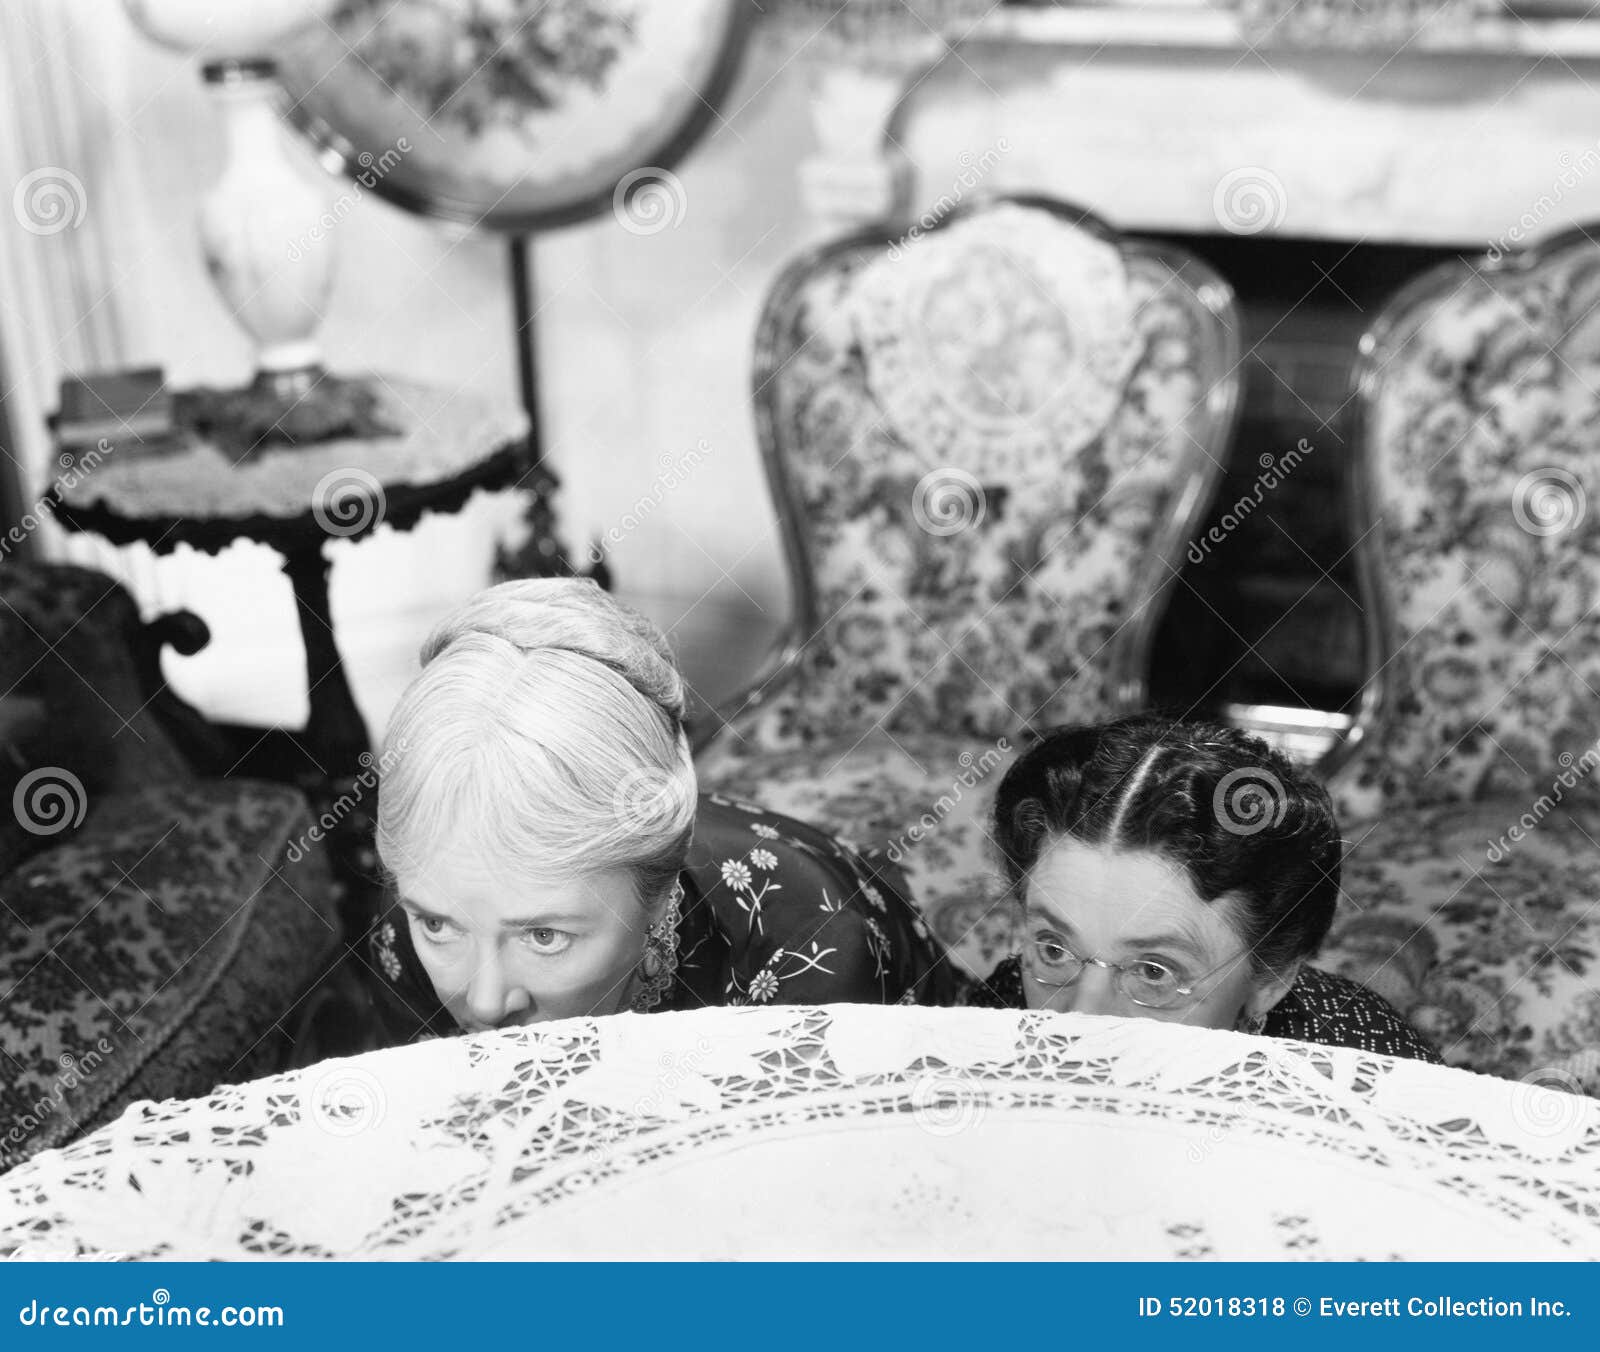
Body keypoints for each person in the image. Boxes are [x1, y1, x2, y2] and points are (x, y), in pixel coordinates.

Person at [365, 578, 956, 1041]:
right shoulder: (406, 930)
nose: (486, 1003)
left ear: (662, 886)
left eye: (544, 936)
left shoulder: (818, 957)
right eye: (440, 927)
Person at [960, 715, 1439, 1062]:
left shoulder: (1373, 1085)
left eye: (1152, 972)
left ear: (1270, 981)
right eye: (1054, 948)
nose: (1078, 1022)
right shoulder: (997, 1016)